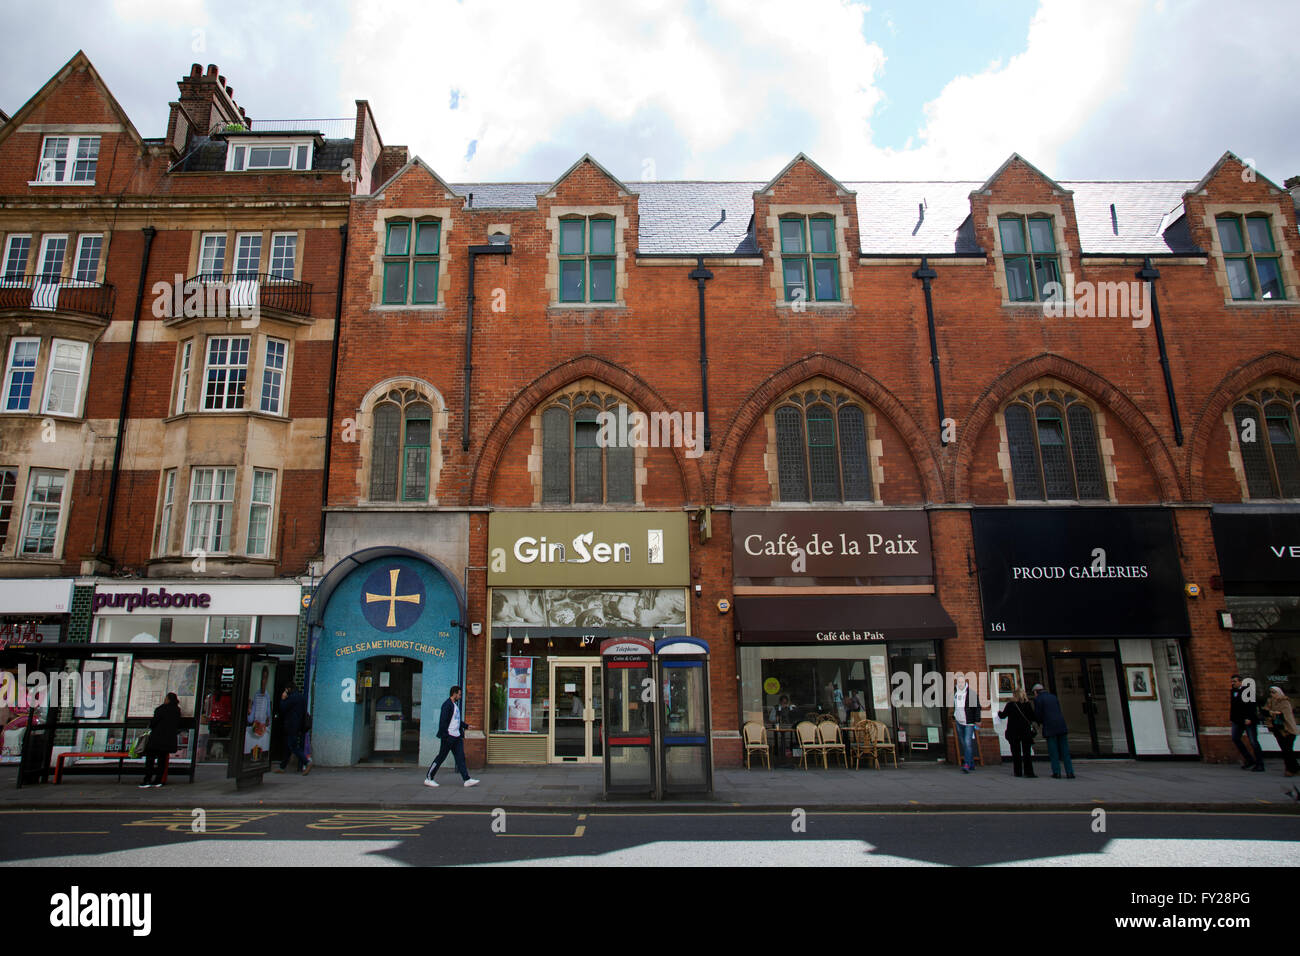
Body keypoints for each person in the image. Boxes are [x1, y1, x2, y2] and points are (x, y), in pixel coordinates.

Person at [423, 685, 479, 788]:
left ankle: (467, 779)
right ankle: (429, 778)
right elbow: (443, 722)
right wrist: (446, 736)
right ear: (454, 694)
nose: (460, 696)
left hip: (456, 737)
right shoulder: (447, 705)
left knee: (460, 758)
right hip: (449, 737)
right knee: (441, 757)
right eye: (459, 694)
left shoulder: (454, 705)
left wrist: (466, 726)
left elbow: (456, 720)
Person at [1032, 683, 1075, 779]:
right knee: (1065, 751)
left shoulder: (1038, 699)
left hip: (1050, 726)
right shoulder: (1053, 697)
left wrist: (1038, 722)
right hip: (1061, 725)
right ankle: (1070, 772)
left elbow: (1038, 714)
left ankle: (1057, 772)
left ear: (1036, 692)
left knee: (1053, 751)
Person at [140, 692, 181, 789]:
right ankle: (158, 780)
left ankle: (147, 779)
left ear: (167, 699)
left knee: (150, 759)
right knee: (162, 761)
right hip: (167, 740)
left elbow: (153, 723)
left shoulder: (160, 709)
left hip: (156, 738)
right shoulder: (177, 710)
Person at [998, 686, 1037, 778]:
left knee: (1016, 753)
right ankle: (1029, 772)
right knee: (1027, 753)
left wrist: (998, 712)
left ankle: (1018, 771)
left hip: (1013, 732)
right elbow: (1032, 717)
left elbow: (1003, 715)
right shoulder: (1027, 704)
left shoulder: (1010, 705)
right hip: (1025, 732)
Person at [1230, 674, 1265, 772]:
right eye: (1232, 682)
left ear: (1241, 682)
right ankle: (1249, 760)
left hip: (1248, 720)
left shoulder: (1248, 691)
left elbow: (1252, 706)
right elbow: (1234, 706)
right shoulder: (1233, 691)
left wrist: (1249, 718)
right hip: (1237, 720)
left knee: (1253, 741)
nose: (1233, 683)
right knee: (1235, 738)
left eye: (1235, 681)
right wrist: (1232, 718)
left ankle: (1260, 764)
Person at [1263, 686, 1299, 777]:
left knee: (1287, 750)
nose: (1272, 694)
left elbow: (1285, 715)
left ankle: (1291, 769)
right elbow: (1265, 711)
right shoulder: (1270, 701)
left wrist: (1273, 713)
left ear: (1279, 693)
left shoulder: (1285, 702)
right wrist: (1273, 713)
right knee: (1285, 750)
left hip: (1288, 730)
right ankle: (1294, 767)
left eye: (1274, 692)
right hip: (1277, 729)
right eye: (1271, 692)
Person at [276, 684, 311, 774]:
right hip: (298, 726)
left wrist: (283, 699)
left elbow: (283, 708)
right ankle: (282, 767)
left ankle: (306, 762)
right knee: (288, 747)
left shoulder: (292, 698)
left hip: (291, 725)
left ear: (289, 689)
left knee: (293, 746)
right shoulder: (302, 698)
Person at [952, 675, 982, 772]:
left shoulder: (971, 694)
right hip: (959, 721)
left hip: (969, 722)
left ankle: (967, 764)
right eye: (958, 682)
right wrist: (954, 715)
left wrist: (977, 720)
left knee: (967, 743)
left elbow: (977, 708)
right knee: (963, 743)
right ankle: (972, 763)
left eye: (962, 682)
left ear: (965, 683)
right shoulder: (955, 693)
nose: (960, 684)